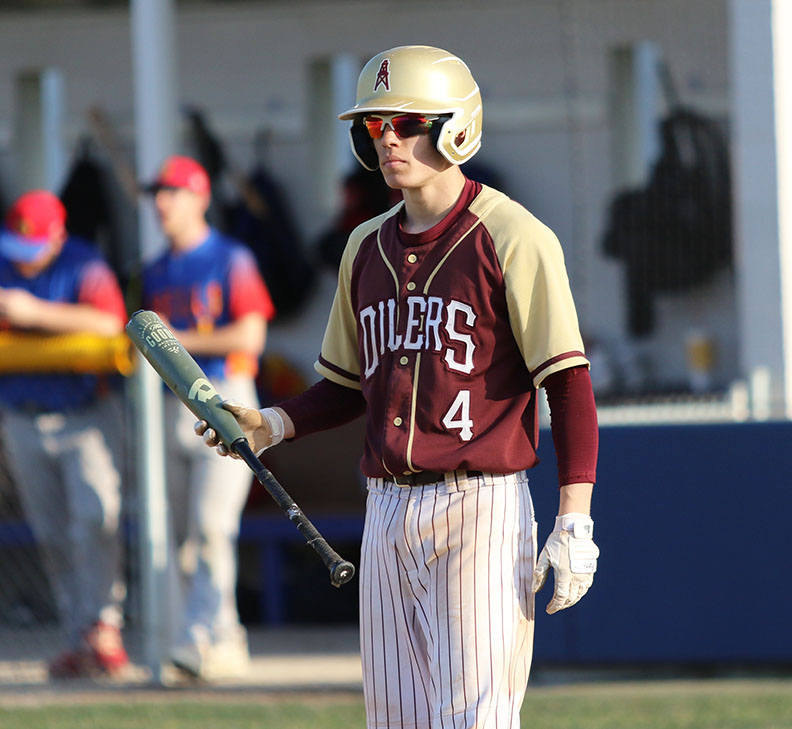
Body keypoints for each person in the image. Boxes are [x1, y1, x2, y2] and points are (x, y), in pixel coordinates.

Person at [197, 45, 600, 727]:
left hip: (480, 504)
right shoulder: (363, 246)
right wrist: (271, 423)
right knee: (395, 719)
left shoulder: (513, 234)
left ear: (457, 128)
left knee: (475, 717)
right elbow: (347, 386)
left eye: (408, 123)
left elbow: (567, 382)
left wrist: (575, 517)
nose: (389, 140)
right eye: (375, 126)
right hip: (385, 508)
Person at [140, 155, 275, 680]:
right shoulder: (155, 268)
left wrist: (175, 344)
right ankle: (203, 640)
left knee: (211, 525)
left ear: (199, 198)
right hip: (168, 402)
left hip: (224, 397)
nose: (161, 202)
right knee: (176, 533)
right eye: (158, 192)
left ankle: (207, 638)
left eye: (172, 191)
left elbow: (250, 335)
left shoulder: (229, 257)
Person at [0, 189, 129, 678]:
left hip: (84, 412)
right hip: (21, 413)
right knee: (53, 534)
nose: (23, 258)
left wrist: (35, 314)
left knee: (95, 521)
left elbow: (110, 322)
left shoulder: (84, 263)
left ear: (57, 238)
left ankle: (104, 628)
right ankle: (78, 638)